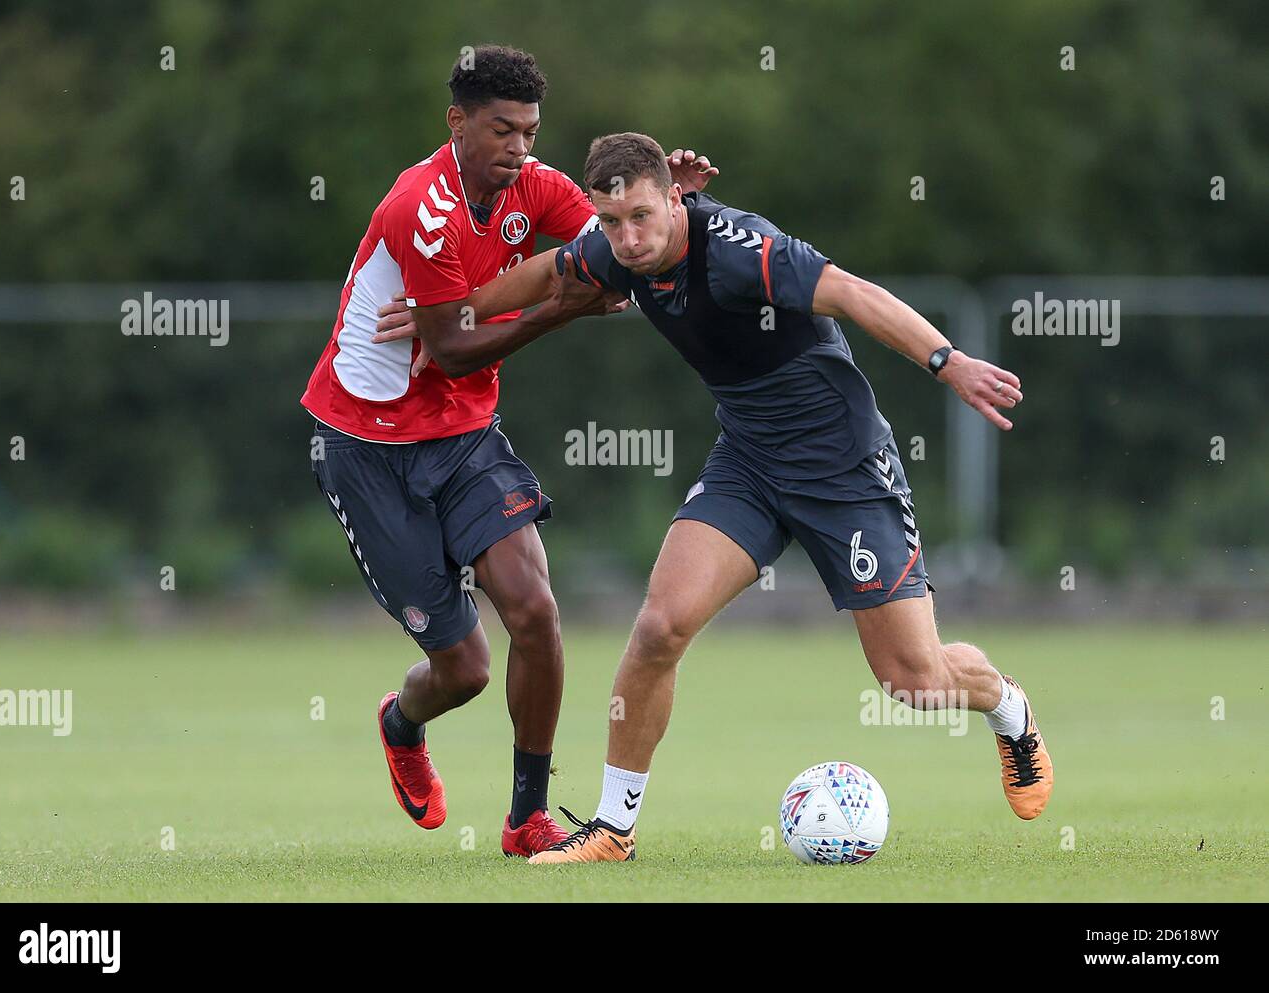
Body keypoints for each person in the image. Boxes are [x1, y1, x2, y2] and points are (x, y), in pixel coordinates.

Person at [379, 131, 1053, 864]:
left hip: (845, 471)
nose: (625, 239)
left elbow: (853, 293)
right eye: (609, 222)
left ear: (674, 197)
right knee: (659, 627)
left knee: (912, 680)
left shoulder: (741, 249)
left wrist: (948, 363)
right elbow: (547, 271)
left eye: (640, 216)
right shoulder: (614, 244)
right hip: (749, 465)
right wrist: (449, 312)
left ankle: (1008, 709)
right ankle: (612, 829)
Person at [299, 50, 716, 858]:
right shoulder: (420, 206)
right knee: (464, 670)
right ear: (457, 124)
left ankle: (528, 818)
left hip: (463, 436)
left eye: (529, 131)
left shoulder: (538, 185)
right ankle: (400, 721)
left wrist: (669, 206)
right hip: (367, 443)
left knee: (535, 609)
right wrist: (564, 306)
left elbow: (618, 246)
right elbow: (454, 348)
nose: (519, 147)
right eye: (502, 130)